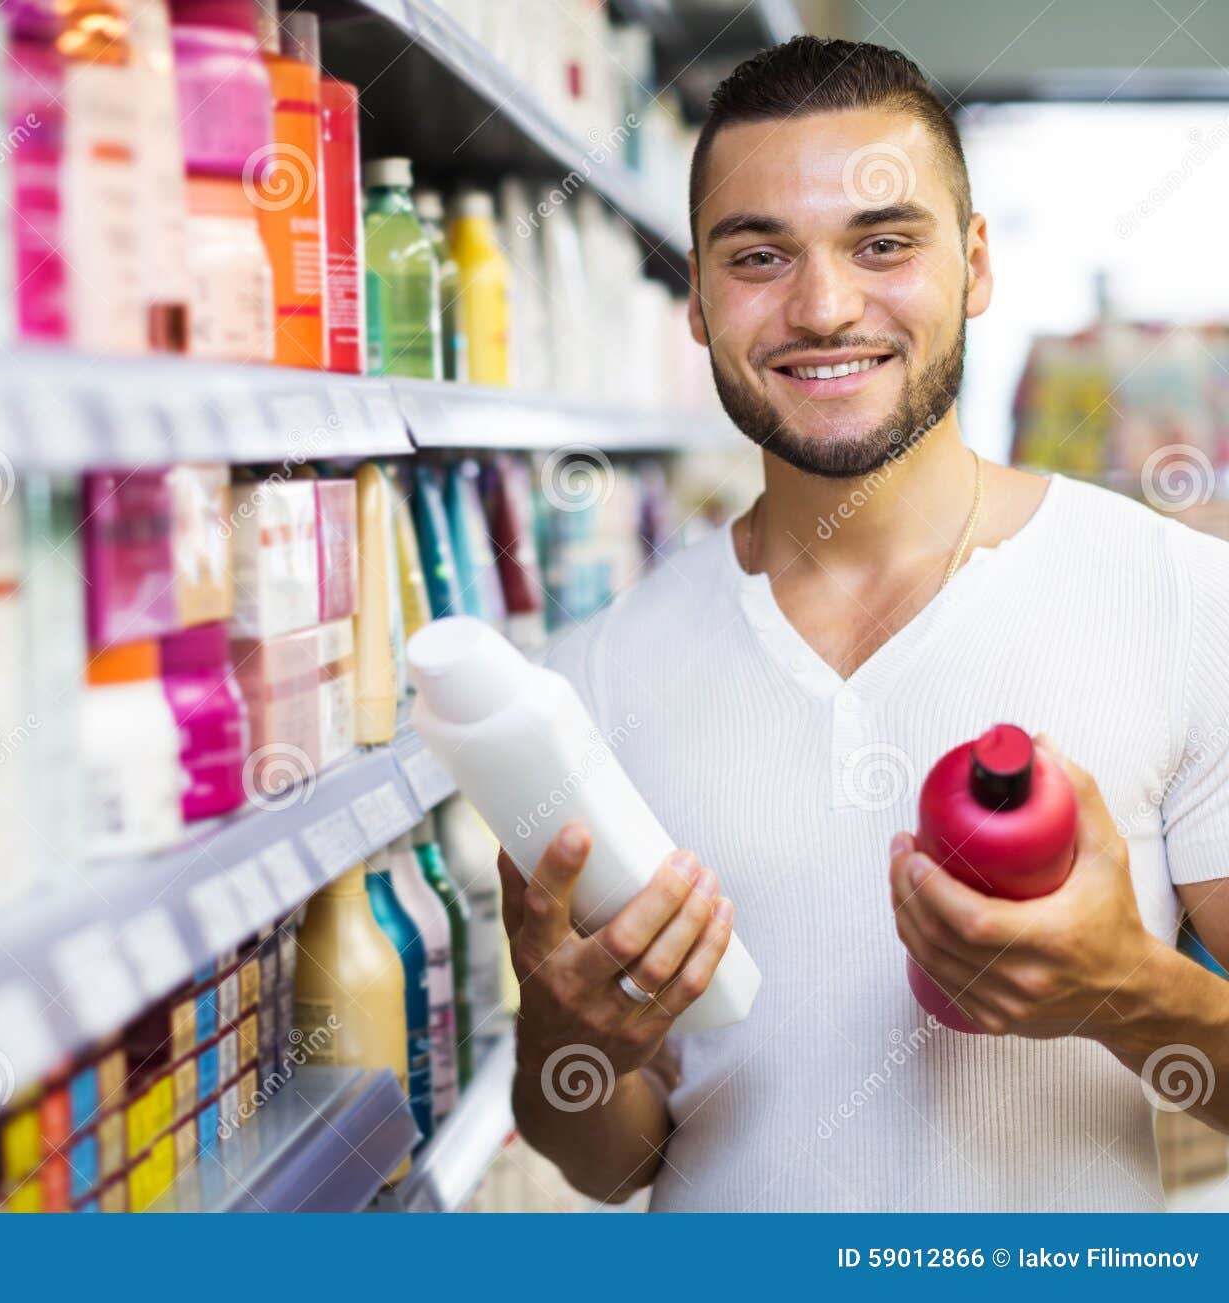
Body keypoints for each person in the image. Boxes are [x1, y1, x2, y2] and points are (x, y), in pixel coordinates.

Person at [504, 35, 1229, 1212]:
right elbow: (606, 1161)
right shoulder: (595, 677)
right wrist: (563, 1037)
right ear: (693, 295)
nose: (824, 307)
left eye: (882, 243)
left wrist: (1127, 991)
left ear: (976, 262)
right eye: (758, 256)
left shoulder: (1180, 602)